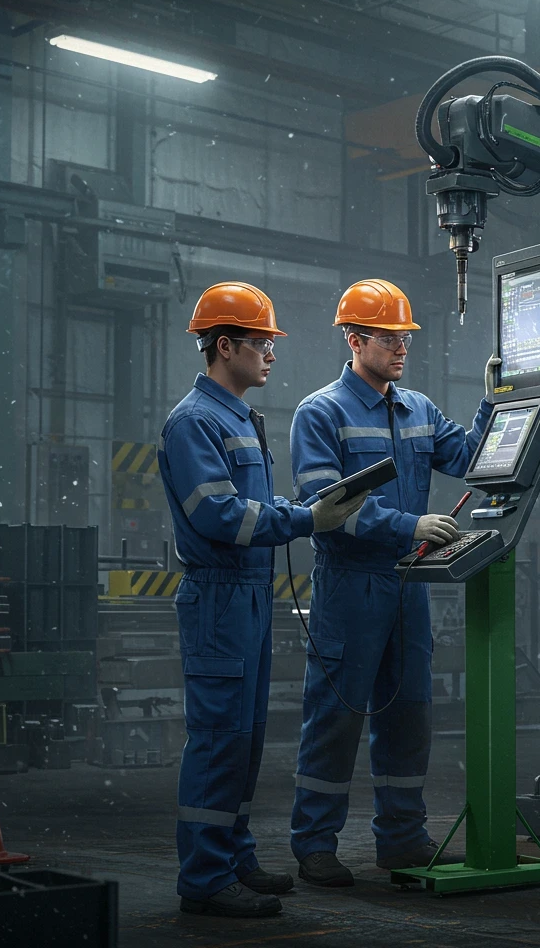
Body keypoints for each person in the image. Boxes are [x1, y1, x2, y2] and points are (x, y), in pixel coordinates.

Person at [159, 281, 367, 918]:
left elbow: (244, 513)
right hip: (220, 596)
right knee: (220, 738)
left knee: (244, 739)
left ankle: (232, 854)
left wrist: (302, 516)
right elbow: (223, 517)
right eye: (260, 343)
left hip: (246, 595)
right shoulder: (195, 422)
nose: (271, 354)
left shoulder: (235, 416)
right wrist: (308, 518)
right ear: (225, 347)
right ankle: (203, 876)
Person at [288, 277, 498, 887]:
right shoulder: (320, 413)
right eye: (389, 337)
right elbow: (328, 503)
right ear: (354, 339)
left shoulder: (419, 409)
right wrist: (411, 525)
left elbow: (473, 458)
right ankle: (314, 845)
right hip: (350, 587)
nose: (402, 347)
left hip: (409, 586)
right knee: (336, 716)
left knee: (409, 714)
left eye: (405, 336)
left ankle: (402, 839)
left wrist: (495, 401)